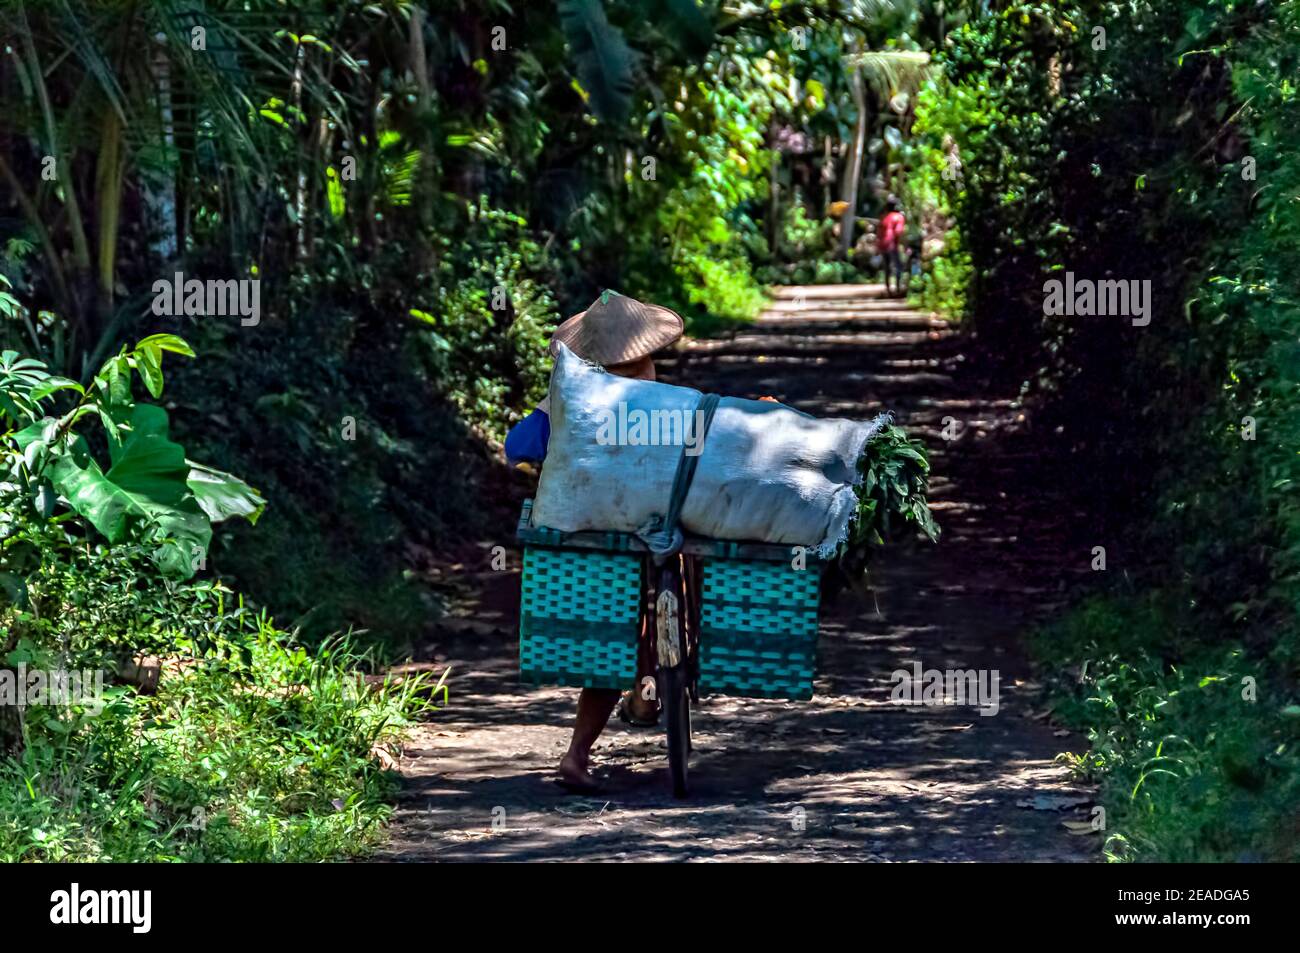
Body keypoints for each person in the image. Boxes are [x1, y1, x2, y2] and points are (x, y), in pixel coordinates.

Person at [506, 290, 686, 793]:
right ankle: (655, 682)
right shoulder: (661, 394)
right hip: (653, 525)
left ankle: (577, 756)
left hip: (591, 534)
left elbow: (516, 447)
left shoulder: (567, 398)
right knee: (670, 580)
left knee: (610, 633)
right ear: (644, 349)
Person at [878, 195, 907, 297]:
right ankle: (898, 288)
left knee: (887, 267)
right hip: (892, 244)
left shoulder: (884, 217)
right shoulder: (899, 217)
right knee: (898, 266)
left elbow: (879, 232)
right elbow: (898, 232)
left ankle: (888, 289)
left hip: (883, 245)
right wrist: (901, 244)